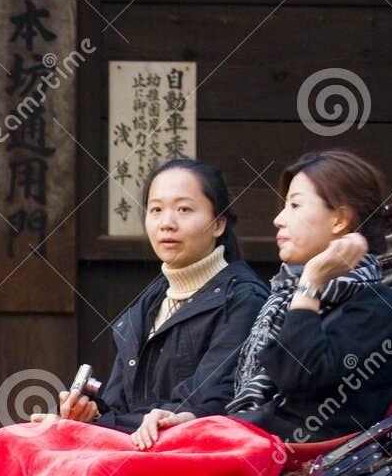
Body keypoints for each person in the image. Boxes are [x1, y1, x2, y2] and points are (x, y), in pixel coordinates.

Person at [33, 158, 268, 449]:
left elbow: (207, 403)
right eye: (156, 210)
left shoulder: (243, 299)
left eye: (184, 209)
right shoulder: (152, 301)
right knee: (21, 441)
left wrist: (106, 426)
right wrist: (89, 413)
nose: (167, 224)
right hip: (136, 448)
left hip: (187, 456)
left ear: (218, 224)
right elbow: (120, 407)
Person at [225, 149, 392, 442]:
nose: (278, 219)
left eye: (295, 205)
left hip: (297, 465)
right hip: (250, 445)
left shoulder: (380, 308)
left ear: (339, 220)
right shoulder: (285, 294)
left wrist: (311, 281)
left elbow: (298, 376)